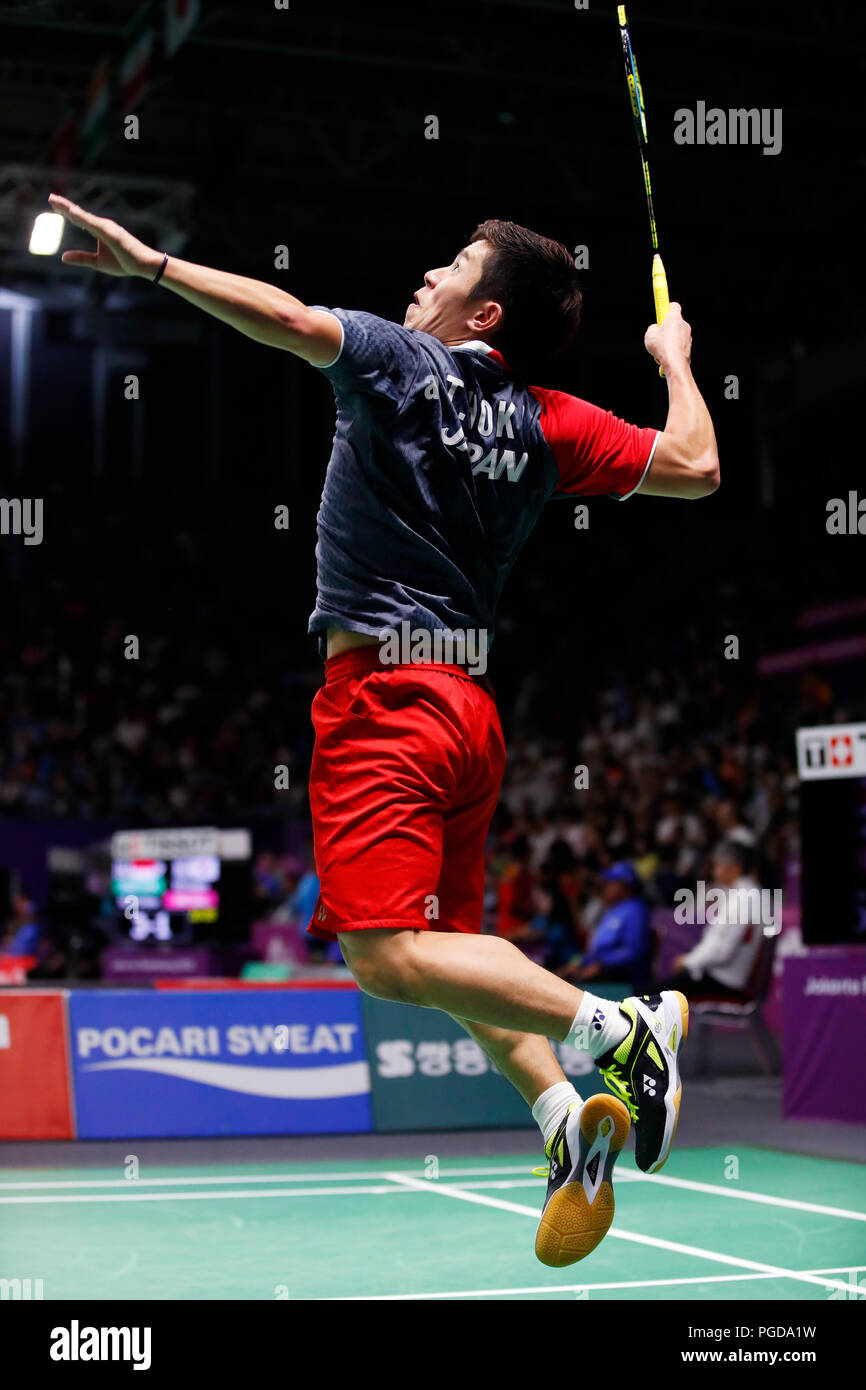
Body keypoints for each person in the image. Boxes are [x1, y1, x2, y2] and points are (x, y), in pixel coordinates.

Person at [51, 194, 718, 1267]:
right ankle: (560, 1123)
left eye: (452, 263)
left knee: (382, 955)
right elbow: (695, 465)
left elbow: (285, 318)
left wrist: (154, 266)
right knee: (450, 957)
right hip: (469, 712)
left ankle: (619, 1029)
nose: (425, 276)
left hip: (383, 704)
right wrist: (672, 355)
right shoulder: (549, 419)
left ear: (485, 311)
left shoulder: (396, 362)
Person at [656, 841, 764, 1000]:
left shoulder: (744, 898)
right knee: (655, 990)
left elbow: (723, 951)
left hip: (725, 981)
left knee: (649, 995)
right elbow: (717, 943)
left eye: (718, 866)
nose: (715, 871)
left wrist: (688, 961)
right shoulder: (745, 894)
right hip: (721, 975)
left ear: (734, 868)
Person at [563, 863, 652, 990]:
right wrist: (578, 962)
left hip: (620, 981)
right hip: (600, 973)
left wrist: (602, 965)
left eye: (611, 882)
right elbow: (596, 952)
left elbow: (634, 951)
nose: (605, 886)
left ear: (625, 885)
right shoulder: (612, 910)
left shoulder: (635, 909)